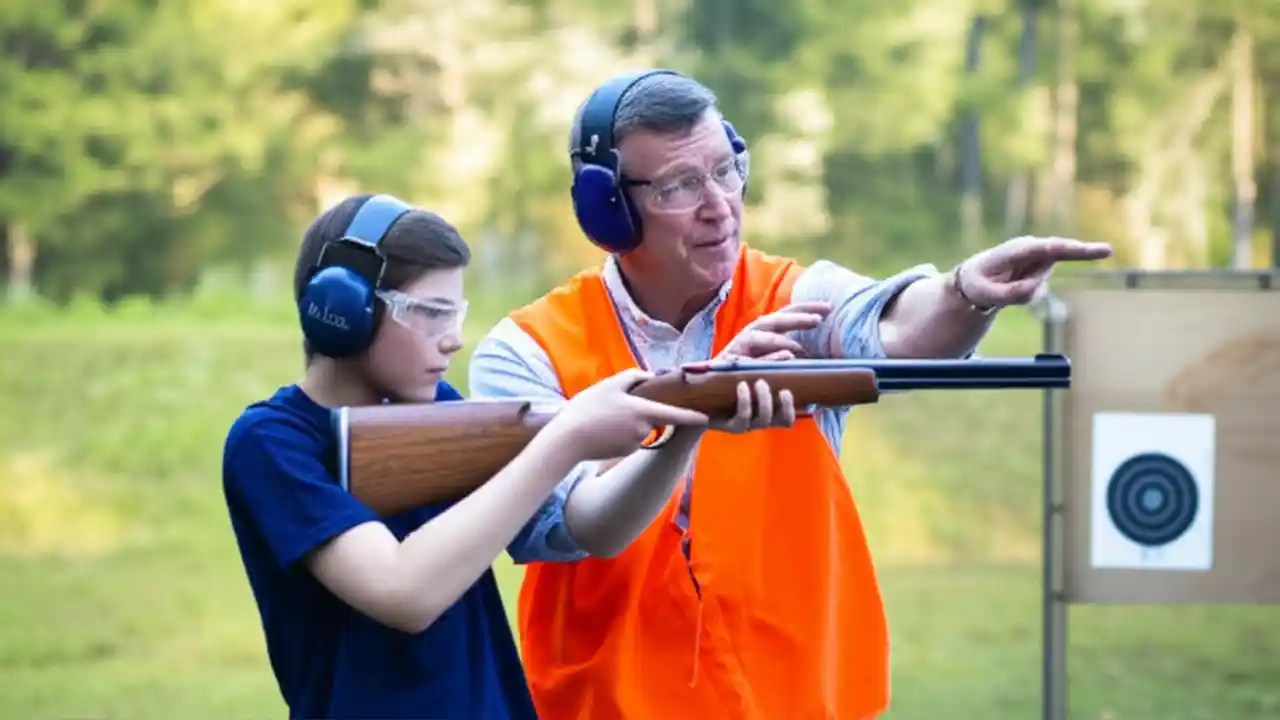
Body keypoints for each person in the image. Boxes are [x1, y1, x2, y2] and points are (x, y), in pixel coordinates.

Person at [468, 70, 1114, 719]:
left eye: (726, 170)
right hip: (609, 704)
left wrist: (964, 292)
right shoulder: (526, 351)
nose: (719, 204)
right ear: (606, 206)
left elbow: (896, 328)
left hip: (796, 700)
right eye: (678, 186)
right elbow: (572, 528)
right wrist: (697, 405)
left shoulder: (791, 301)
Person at [220, 193, 785, 719]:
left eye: (456, 314)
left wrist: (687, 415)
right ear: (342, 311)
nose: (453, 338)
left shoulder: (435, 409)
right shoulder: (272, 443)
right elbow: (405, 591)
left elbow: (595, 527)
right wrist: (565, 437)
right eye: (431, 313)